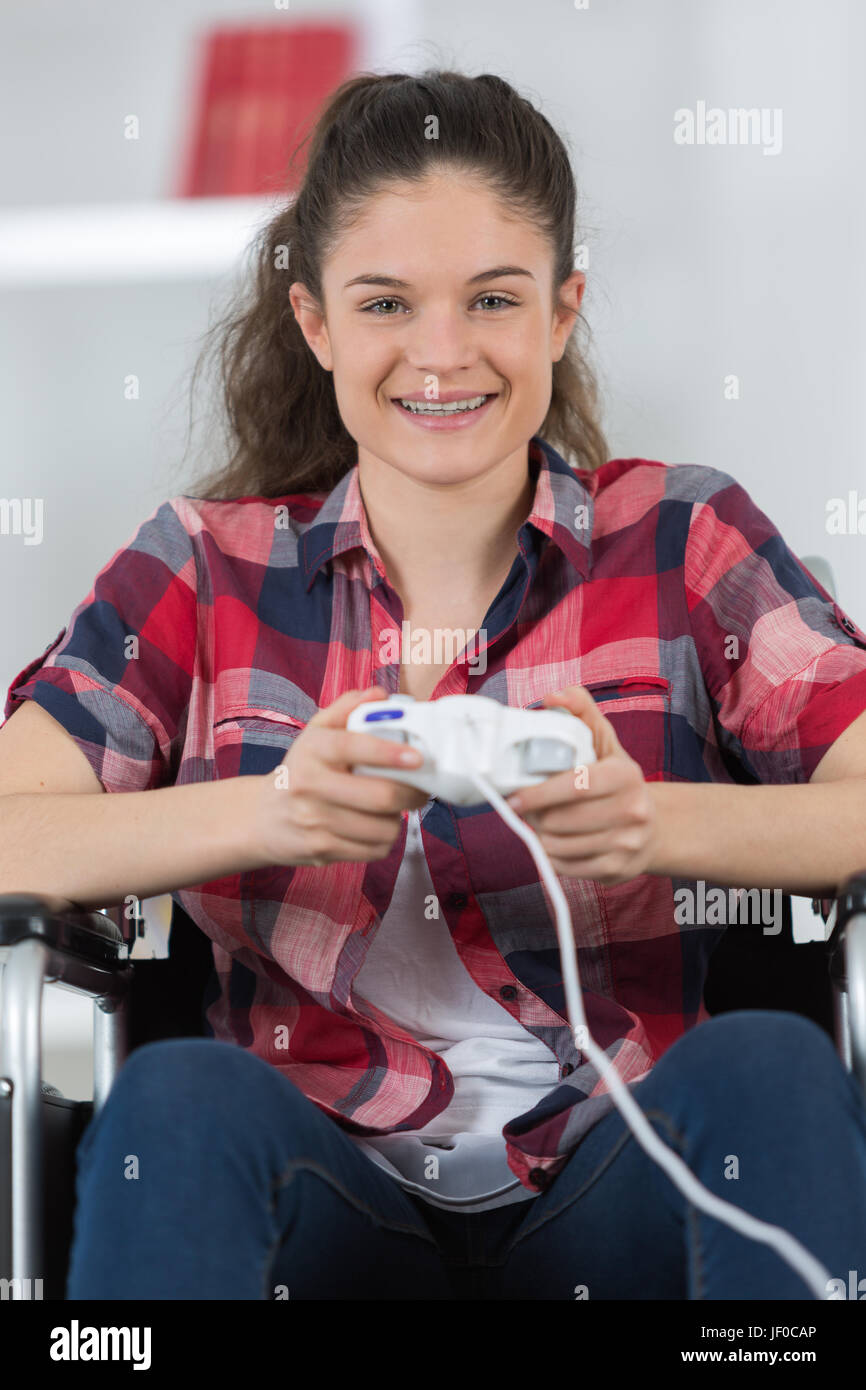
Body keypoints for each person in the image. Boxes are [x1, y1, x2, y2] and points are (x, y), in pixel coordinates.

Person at [3, 69, 866, 1302]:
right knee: (176, 1099)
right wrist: (273, 813)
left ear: (561, 313)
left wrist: (652, 823)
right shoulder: (205, 566)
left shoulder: (679, 536)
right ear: (317, 325)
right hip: (324, 1192)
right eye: (386, 303)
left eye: (494, 299)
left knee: (771, 1067)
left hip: (607, 1177)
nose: (443, 354)